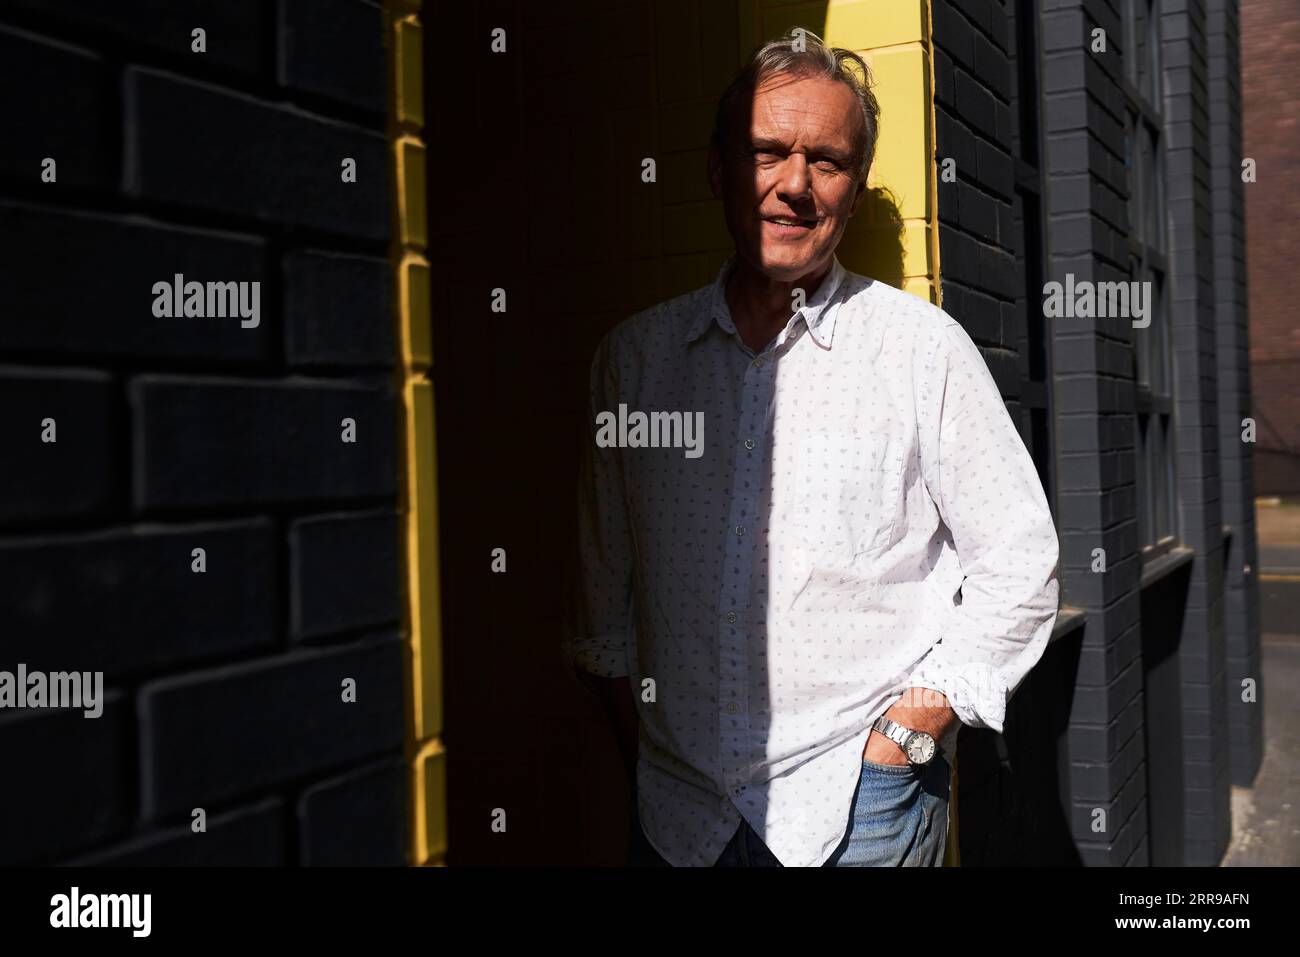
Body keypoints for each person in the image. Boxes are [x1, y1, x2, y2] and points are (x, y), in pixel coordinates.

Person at [564, 29, 1060, 867]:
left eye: (826, 161)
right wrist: (645, 762)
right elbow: (601, 603)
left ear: (853, 194)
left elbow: (1022, 562)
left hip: (859, 809)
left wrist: (909, 734)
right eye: (767, 153)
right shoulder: (635, 360)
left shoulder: (920, 350)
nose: (794, 184)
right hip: (678, 817)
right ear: (720, 171)